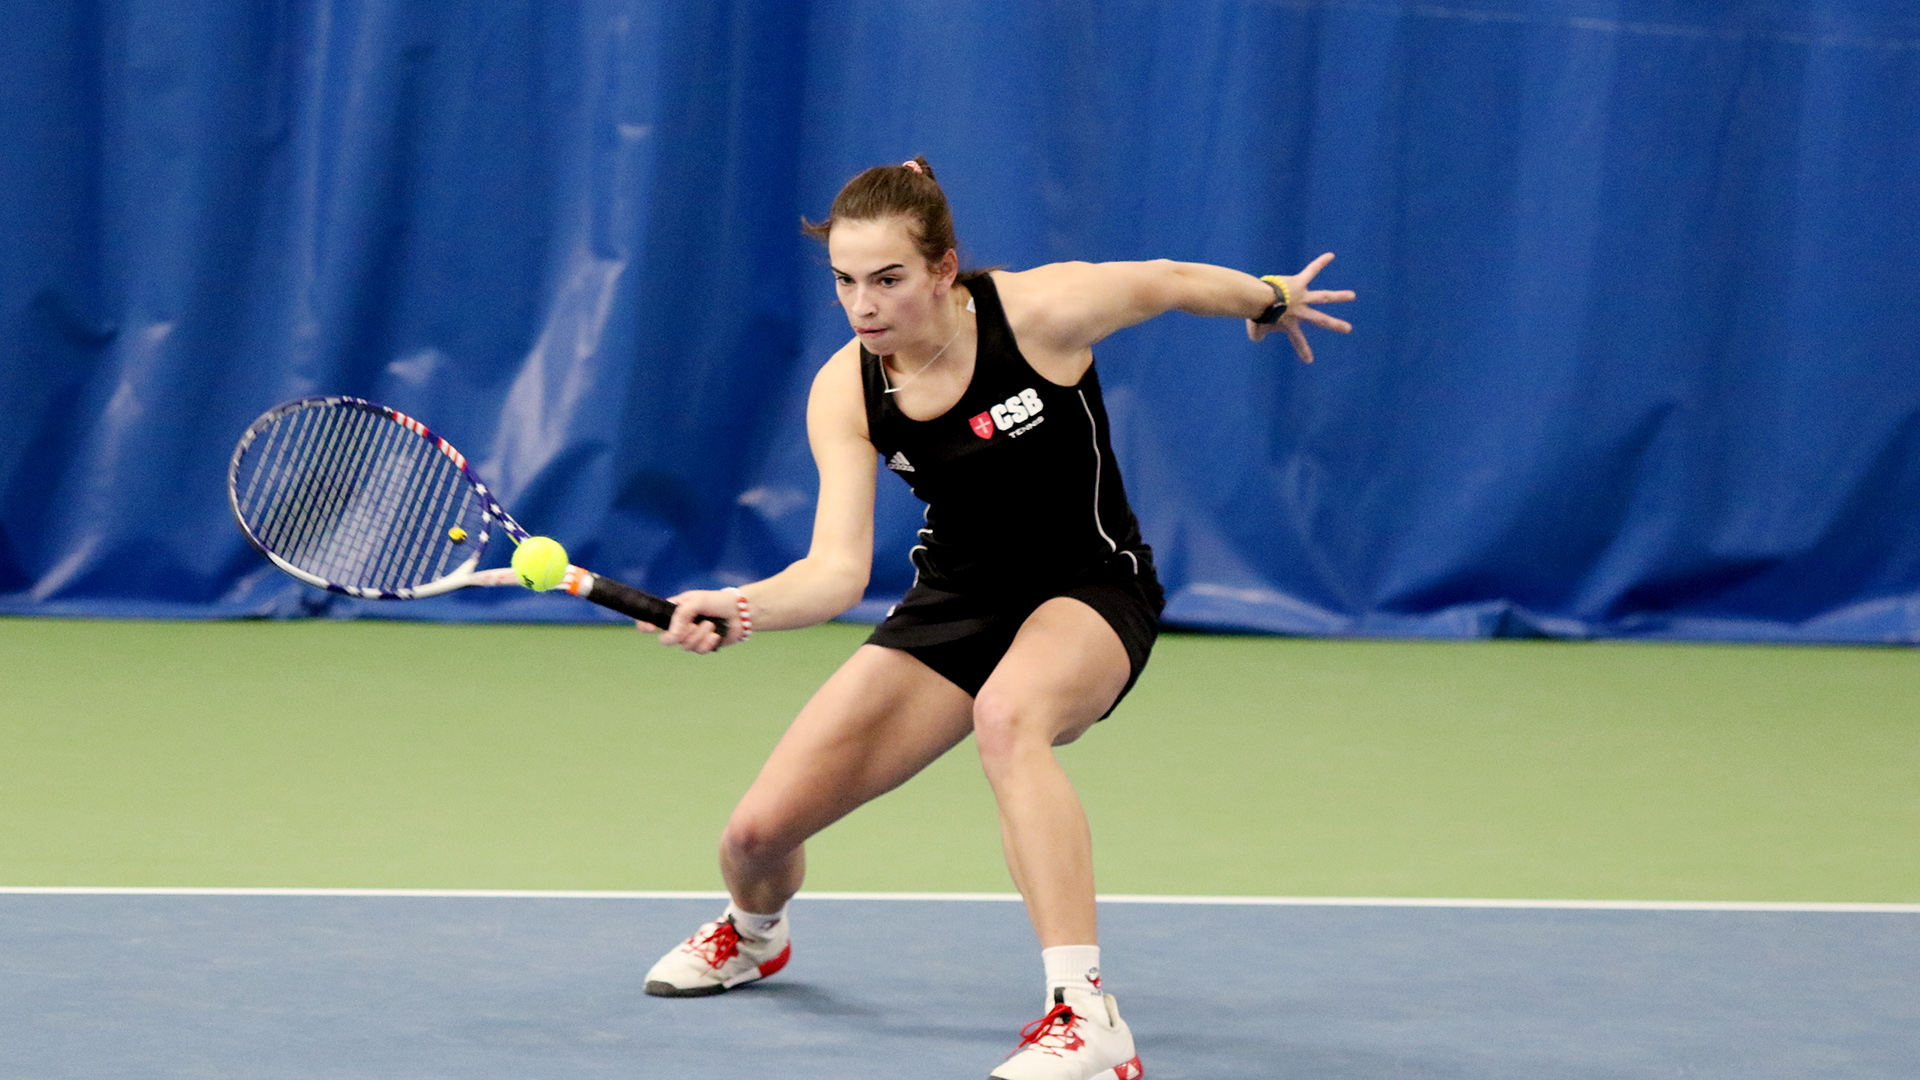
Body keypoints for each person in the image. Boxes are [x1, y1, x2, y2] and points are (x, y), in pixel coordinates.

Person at [639, 157, 1354, 1080]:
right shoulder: (846, 391)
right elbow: (832, 572)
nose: (864, 304)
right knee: (755, 836)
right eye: (846, 282)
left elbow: (1170, 284)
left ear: (943, 269)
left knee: (1009, 720)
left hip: (1091, 586)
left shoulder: (1040, 314)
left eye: (888, 278)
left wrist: (1265, 298)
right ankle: (753, 936)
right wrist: (740, 605)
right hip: (959, 602)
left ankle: (1086, 1016)